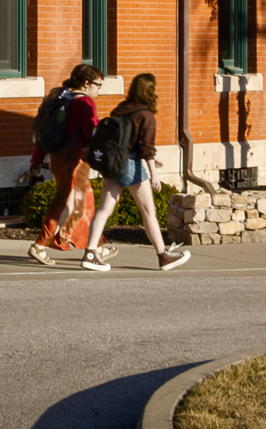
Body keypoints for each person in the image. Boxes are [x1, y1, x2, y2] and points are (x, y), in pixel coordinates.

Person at [78, 71, 191, 272]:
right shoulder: (146, 115)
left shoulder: (121, 109)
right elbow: (146, 146)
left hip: (112, 163)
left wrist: (150, 158)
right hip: (131, 165)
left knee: (104, 209)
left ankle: (90, 253)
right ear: (150, 91)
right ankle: (163, 256)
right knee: (148, 212)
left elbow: (124, 139)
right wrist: (153, 174)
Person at [25, 63, 104, 266]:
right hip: (76, 161)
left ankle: (98, 246)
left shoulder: (59, 101)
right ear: (86, 84)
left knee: (76, 203)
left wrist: (36, 159)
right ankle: (41, 245)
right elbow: (91, 133)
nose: (99, 90)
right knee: (73, 205)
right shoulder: (84, 103)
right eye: (98, 85)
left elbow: (46, 131)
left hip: (57, 159)